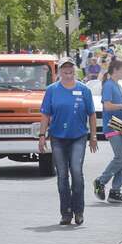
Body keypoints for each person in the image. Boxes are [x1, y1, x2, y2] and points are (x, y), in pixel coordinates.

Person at [38, 56, 99, 225]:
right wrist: (42, 136)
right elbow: (45, 115)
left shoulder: (84, 90)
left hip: (78, 137)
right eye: (64, 68)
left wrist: (93, 136)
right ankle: (66, 212)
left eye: (70, 68)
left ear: (75, 70)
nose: (68, 71)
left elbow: (92, 114)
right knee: (62, 176)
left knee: (77, 173)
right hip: (57, 137)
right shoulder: (52, 90)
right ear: (59, 71)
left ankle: (78, 211)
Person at [94, 59, 122, 204]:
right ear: (116, 70)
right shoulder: (109, 85)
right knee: (120, 158)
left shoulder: (118, 85)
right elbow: (107, 106)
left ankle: (115, 191)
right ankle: (101, 181)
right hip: (113, 125)